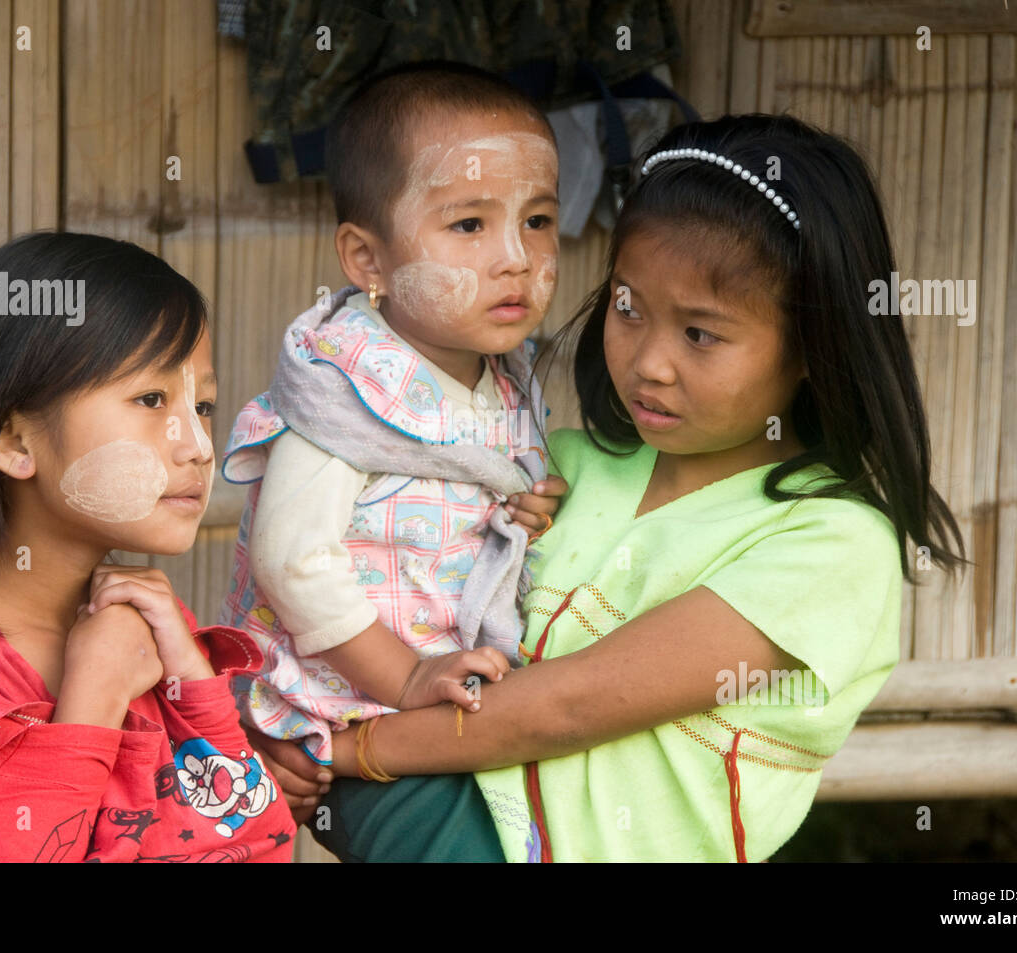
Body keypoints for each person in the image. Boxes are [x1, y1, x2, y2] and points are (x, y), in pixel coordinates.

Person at [311, 113, 969, 861]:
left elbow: (568, 705)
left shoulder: (830, 544)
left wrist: (339, 752)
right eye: (628, 306)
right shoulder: (559, 463)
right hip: (449, 809)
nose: (649, 361)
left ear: (815, 344)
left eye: (701, 333)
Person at [0, 232, 296, 862]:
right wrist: (96, 694)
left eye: (203, 406)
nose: (198, 443)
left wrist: (196, 683)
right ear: (14, 441)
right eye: (151, 399)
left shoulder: (154, 626)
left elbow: (261, 843)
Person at [218, 62, 568, 853]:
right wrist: (406, 676)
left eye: (539, 220)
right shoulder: (344, 389)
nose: (516, 257)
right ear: (367, 260)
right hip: (353, 716)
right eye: (470, 226)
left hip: (460, 711)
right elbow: (292, 557)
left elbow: (484, 490)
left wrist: (527, 505)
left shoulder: (504, 373)